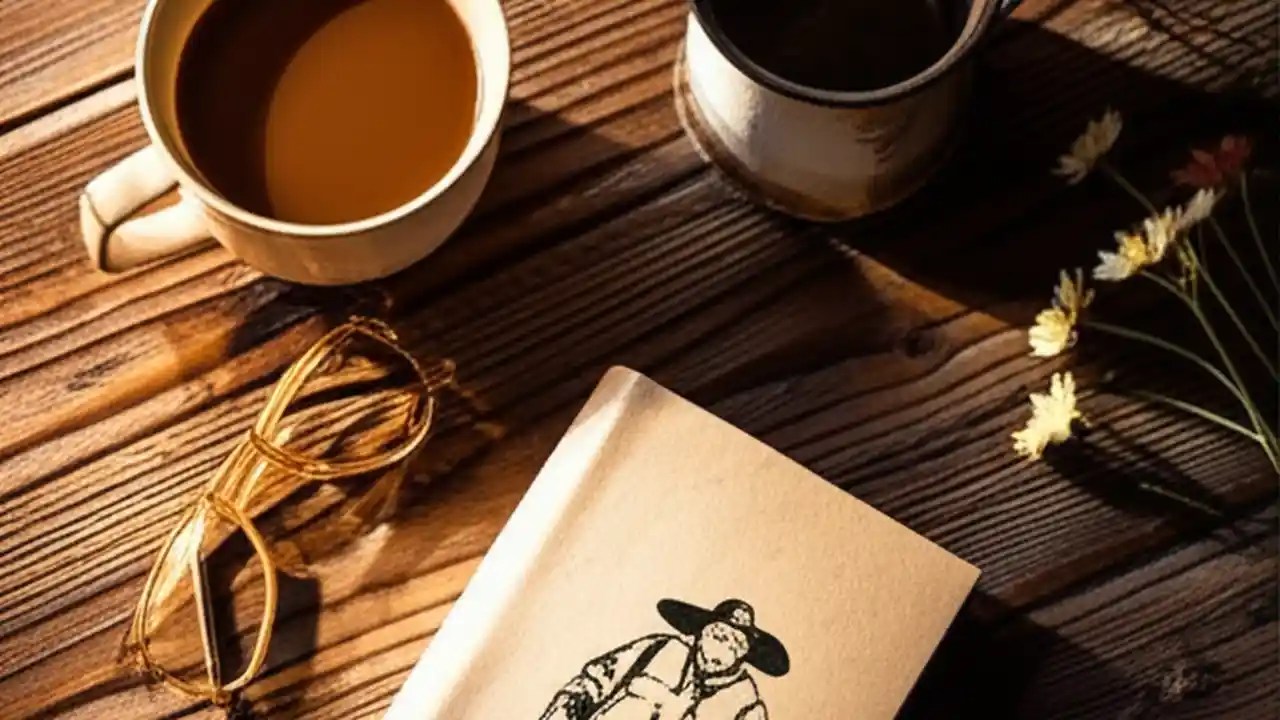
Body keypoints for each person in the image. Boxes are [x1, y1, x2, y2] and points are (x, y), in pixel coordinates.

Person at [539, 598, 789, 720]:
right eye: (718, 634)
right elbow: (590, 685)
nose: (722, 646)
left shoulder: (746, 706)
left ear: (745, 655)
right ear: (701, 631)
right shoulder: (657, 649)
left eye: (736, 643)